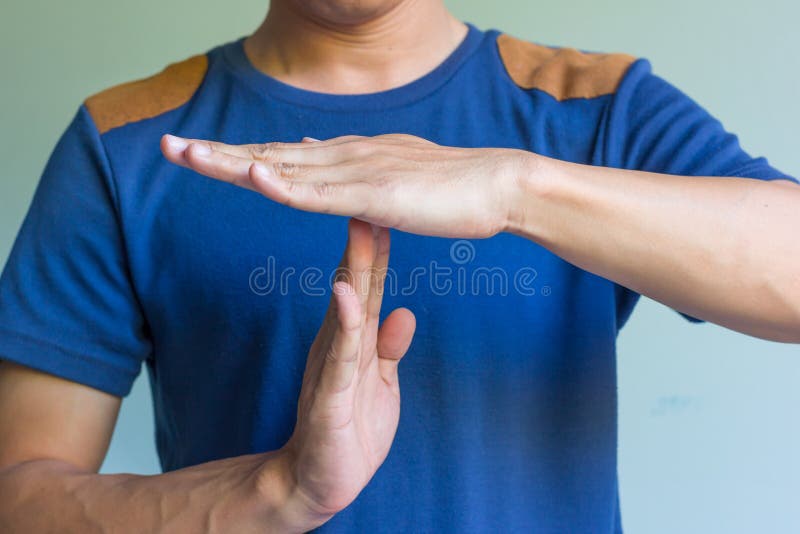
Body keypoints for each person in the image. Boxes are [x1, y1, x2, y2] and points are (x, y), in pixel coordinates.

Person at [0, 0, 798, 531]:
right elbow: (20, 495)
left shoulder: (596, 105)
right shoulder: (127, 144)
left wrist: (514, 186)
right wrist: (273, 492)